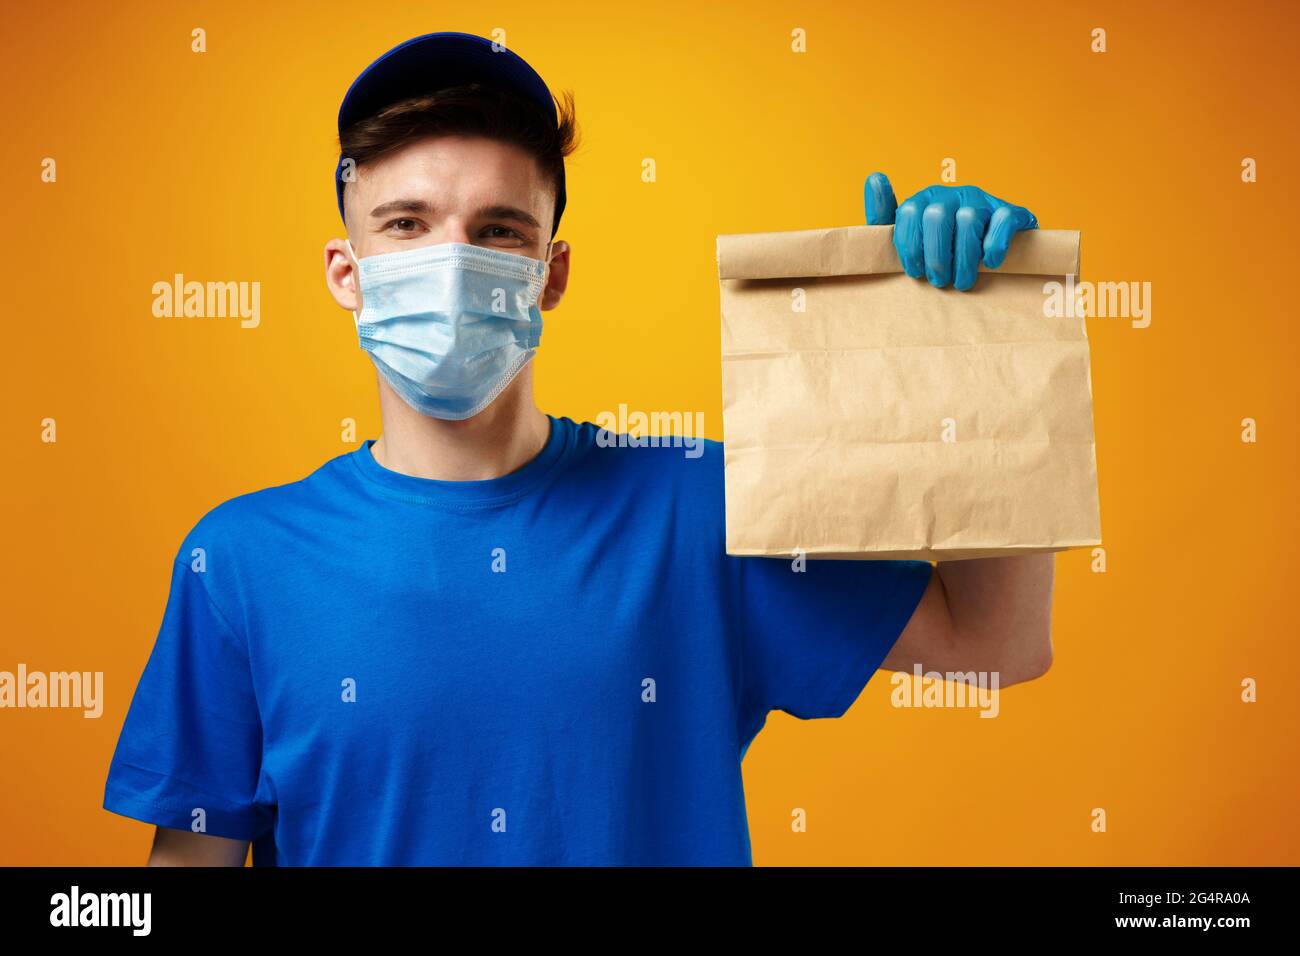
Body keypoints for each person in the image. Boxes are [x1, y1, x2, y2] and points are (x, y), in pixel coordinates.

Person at [103, 31, 1054, 866]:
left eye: (498, 230)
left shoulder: (700, 508)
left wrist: (978, 349)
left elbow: (995, 642)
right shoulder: (238, 562)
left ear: (550, 273)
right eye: (406, 224)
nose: (450, 259)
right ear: (347, 273)